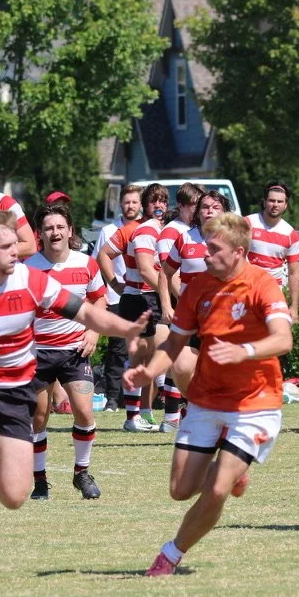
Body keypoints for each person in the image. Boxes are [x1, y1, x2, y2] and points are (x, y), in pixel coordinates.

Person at [0, 210, 149, 586]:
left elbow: (87, 312)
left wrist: (128, 329)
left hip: (13, 394)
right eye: (6, 246)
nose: (17, 250)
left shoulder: (29, 280)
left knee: (13, 495)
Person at [127, 213, 294, 576]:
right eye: (205, 246)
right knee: (179, 489)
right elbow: (174, 342)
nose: (205, 254)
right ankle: (234, 469)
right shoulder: (198, 286)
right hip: (206, 400)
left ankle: (170, 555)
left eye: (214, 248)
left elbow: (283, 338)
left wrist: (245, 351)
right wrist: (149, 372)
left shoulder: (262, 284)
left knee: (217, 489)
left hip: (255, 405)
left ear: (238, 251)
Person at [25, 203, 108, 500]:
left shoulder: (86, 264)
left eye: (60, 227)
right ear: (40, 234)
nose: (55, 232)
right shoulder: (28, 267)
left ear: (70, 230)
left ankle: (82, 473)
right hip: (38, 353)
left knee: (85, 412)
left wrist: (94, 331)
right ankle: (39, 481)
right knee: (38, 417)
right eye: (49, 228)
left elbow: (100, 300)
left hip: (75, 350)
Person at [97, 183, 167, 432]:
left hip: (157, 298)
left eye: (163, 201)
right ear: (145, 206)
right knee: (140, 355)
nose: (158, 206)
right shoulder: (131, 230)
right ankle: (132, 415)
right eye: (153, 201)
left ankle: (146, 412)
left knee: (154, 355)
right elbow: (103, 254)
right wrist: (116, 285)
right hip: (138, 297)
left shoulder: (166, 230)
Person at [159, 190, 230, 405]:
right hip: (190, 319)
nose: (209, 211)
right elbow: (165, 272)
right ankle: (199, 403)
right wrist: (166, 306)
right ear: (198, 212)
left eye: (215, 207)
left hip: (222, 320)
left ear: (224, 212)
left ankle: (215, 412)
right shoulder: (184, 238)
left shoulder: (233, 241)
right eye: (205, 207)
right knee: (180, 367)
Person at [155, 183, 205, 426]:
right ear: (182, 206)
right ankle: (173, 416)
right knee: (178, 364)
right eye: (195, 205)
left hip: (205, 311)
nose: (199, 210)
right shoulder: (172, 233)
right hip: (182, 306)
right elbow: (168, 274)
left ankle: (186, 413)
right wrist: (186, 300)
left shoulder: (206, 232)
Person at [92, 184, 142, 412]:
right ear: (120, 204)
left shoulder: (145, 229)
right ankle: (112, 398)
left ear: (140, 204)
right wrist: (113, 284)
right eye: (127, 202)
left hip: (141, 296)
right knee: (117, 348)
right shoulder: (108, 230)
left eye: (134, 202)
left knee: (141, 347)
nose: (130, 206)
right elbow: (97, 262)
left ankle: (136, 399)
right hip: (116, 297)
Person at [246, 181, 299, 322]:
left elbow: (294, 273)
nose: (275, 204)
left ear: (285, 205)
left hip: (273, 292)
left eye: (279, 201)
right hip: (246, 289)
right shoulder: (247, 223)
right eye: (271, 200)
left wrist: (294, 307)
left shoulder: (291, 234)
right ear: (264, 202)